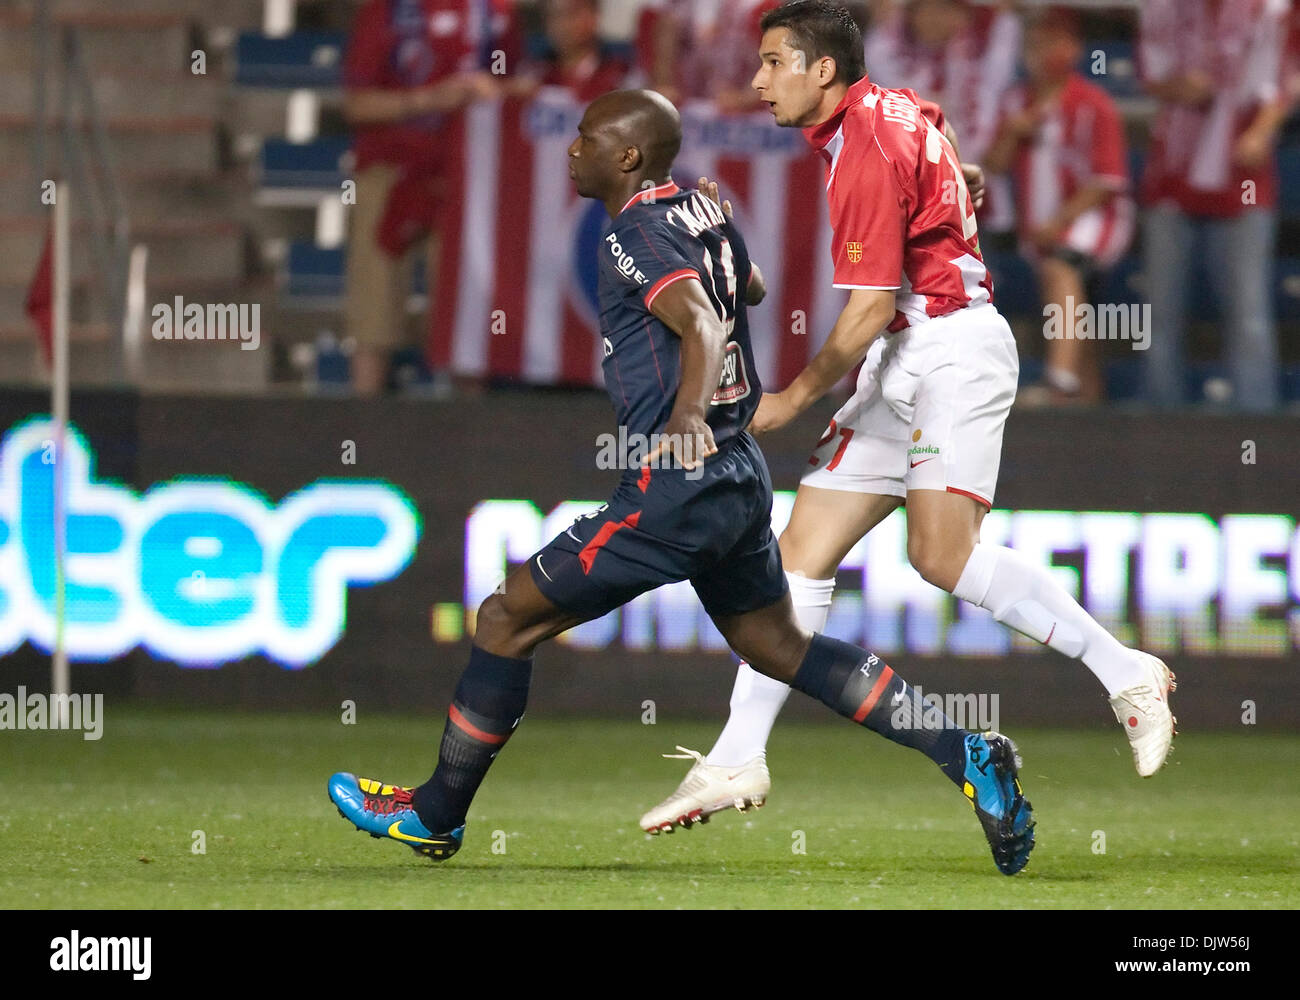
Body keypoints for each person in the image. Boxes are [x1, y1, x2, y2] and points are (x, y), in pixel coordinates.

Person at [329, 88, 1036, 876]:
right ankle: (965, 752)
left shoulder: (635, 230)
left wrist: (686, 414)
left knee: (504, 619)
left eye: (587, 137)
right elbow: (752, 288)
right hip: (738, 477)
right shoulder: (704, 210)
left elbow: (700, 319)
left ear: (626, 156)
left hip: (678, 482)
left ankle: (435, 815)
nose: (572, 149)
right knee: (779, 645)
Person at [639, 0, 1175, 835]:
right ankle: (738, 757)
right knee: (796, 562)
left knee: (940, 556)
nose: (757, 79)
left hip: (949, 350)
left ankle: (1124, 669)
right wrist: (956, 178)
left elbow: (867, 307)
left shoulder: (860, 147)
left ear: (822, 70)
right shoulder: (894, 108)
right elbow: (938, 129)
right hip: (905, 355)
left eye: (774, 61)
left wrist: (793, 395)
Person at [342, 0, 516, 396]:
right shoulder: (386, 11)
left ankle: (473, 442)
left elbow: (514, 83)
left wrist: (494, 90)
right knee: (374, 312)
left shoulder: (496, 12)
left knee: (468, 320)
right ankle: (359, 437)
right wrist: (429, 99)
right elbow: (356, 105)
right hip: (391, 171)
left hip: (466, 178)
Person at [1138, 0, 1292, 412]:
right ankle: (1160, 423)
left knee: (1249, 314)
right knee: (1160, 314)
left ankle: (1255, 427)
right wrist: (1179, 88)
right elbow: (1150, 73)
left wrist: (1262, 130)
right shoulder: (1164, 7)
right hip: (1172, 176)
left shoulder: (1271, 9)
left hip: (1243, 179)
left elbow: (1287, 78)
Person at [983, 8, 1135, 405]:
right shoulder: (1016, 102)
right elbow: (993, 166)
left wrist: (1060, 222)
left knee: (1061, 269)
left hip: (1092, 221)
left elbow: (1107, 180)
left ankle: (1059, 383)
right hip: (1038, 226)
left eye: (1052, 42)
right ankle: (1084, 402)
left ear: (1073, 48)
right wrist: (1011, 135)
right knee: (1077, 313)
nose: (1042, 52)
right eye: (1035, 44)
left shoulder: (1093, 103)